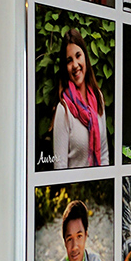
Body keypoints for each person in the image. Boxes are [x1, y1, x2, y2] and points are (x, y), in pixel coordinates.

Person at [52, 27, 109, 169]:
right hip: (76, 190)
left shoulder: (98, 97)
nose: (75, 65)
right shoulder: (63, 110)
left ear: (85, 57)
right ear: (65, 67)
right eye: (69, 60)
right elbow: (60, 167)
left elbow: (104, 154)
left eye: (78, 56)